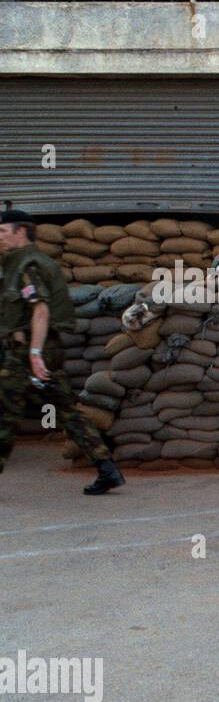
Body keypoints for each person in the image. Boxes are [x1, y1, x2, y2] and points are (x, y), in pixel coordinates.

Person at [0, 208, 124, 494]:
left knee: (5, 413)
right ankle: (107, 468)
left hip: (27, 352)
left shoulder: (27, 266)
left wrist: (33, 354)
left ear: (20, 232)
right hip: (47, 349)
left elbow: (40, 310)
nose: (0, 237)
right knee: (68, 412)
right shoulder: (26, 261)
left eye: (4, 232)